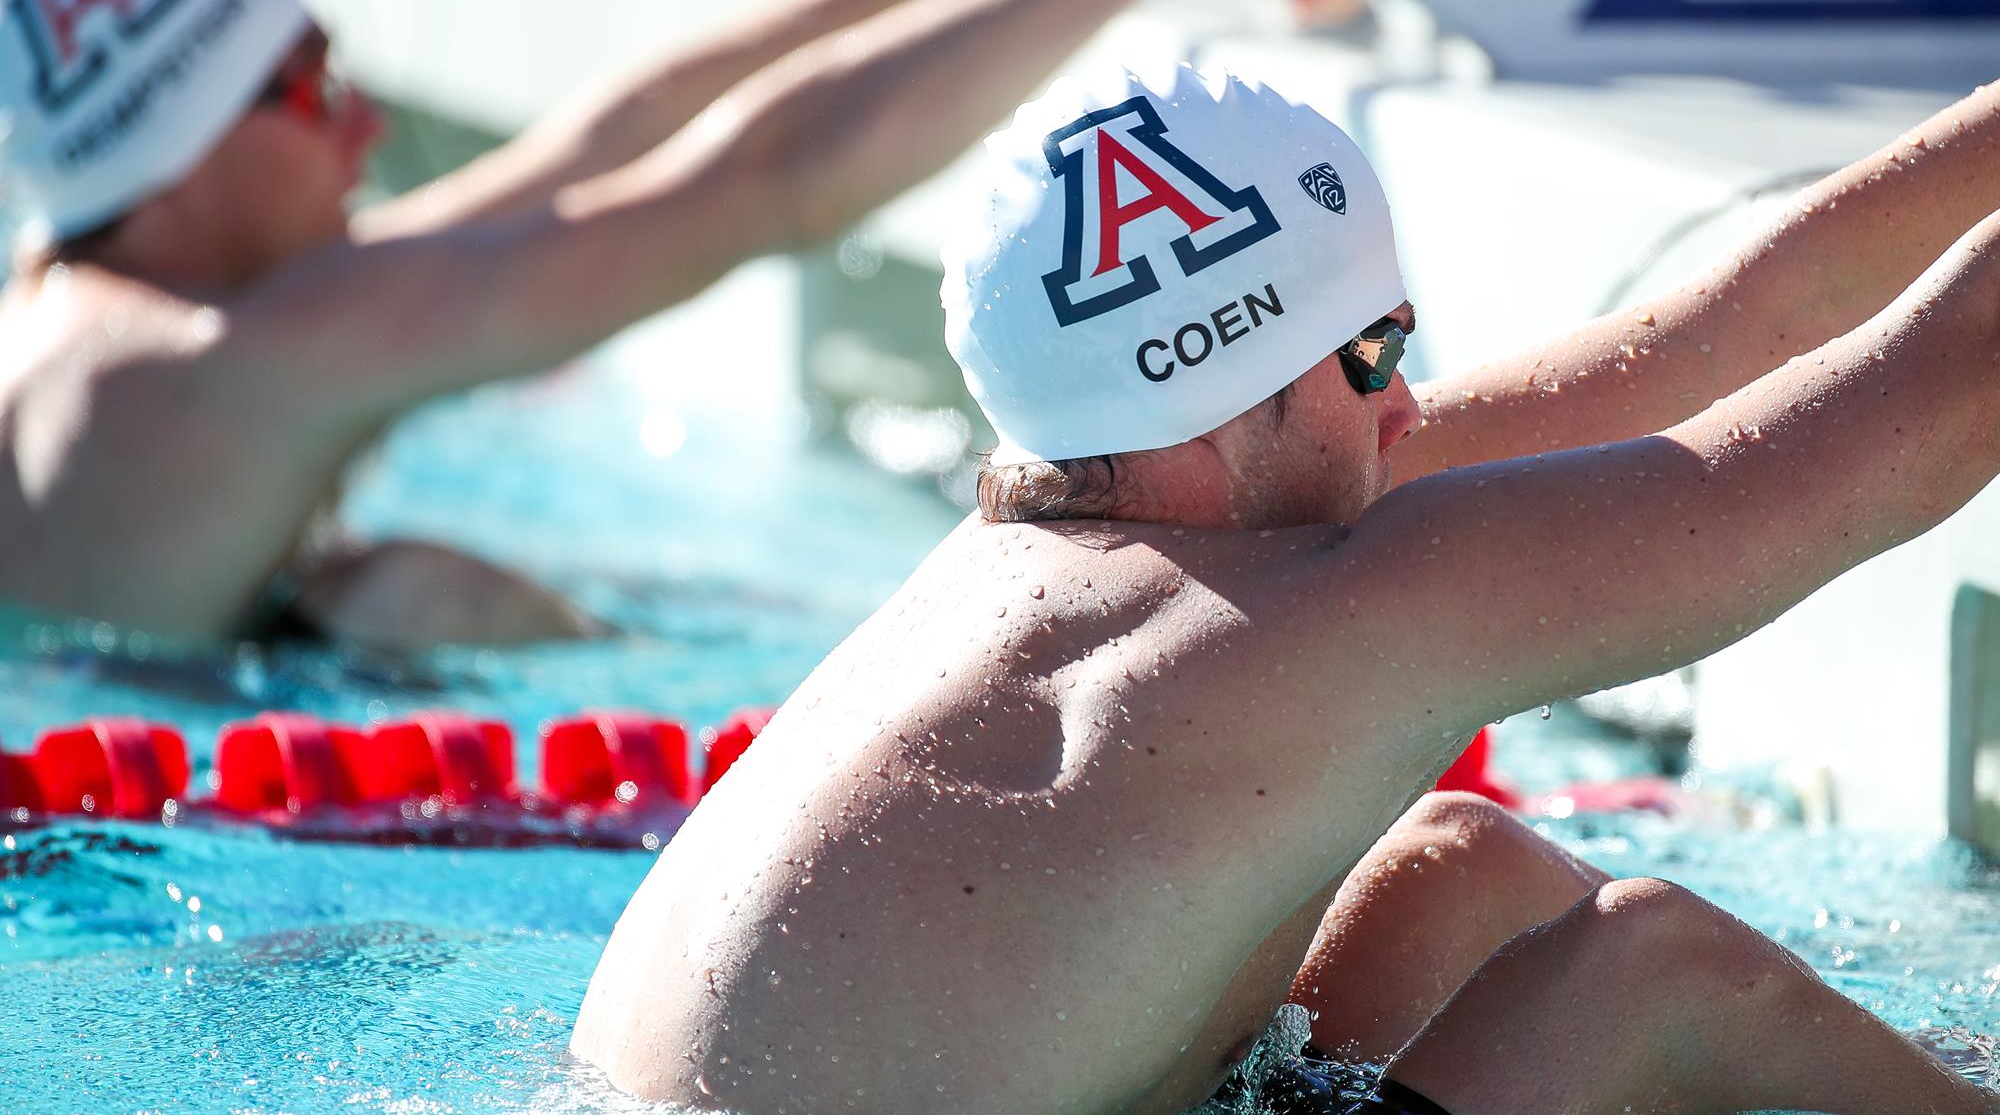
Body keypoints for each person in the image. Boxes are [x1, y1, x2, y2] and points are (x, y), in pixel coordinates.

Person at [570, 61, 2000, 1114]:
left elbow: (1722, 335)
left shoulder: (1050, 553)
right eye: (1372, 350)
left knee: (1458, 863)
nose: (1405, 404)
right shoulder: (1272, 636)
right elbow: (1903, 423)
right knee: (1667, 976)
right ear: (1222, 399)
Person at [0, 0, 1302, 650]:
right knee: (419, 600)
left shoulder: (99, 325)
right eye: (313, 79)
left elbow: (621, 131)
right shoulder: (212, 368)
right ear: (174, 144)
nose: (366, 126)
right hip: (119, 840)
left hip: (132, 729)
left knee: (377, 590)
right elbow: (765, 187)